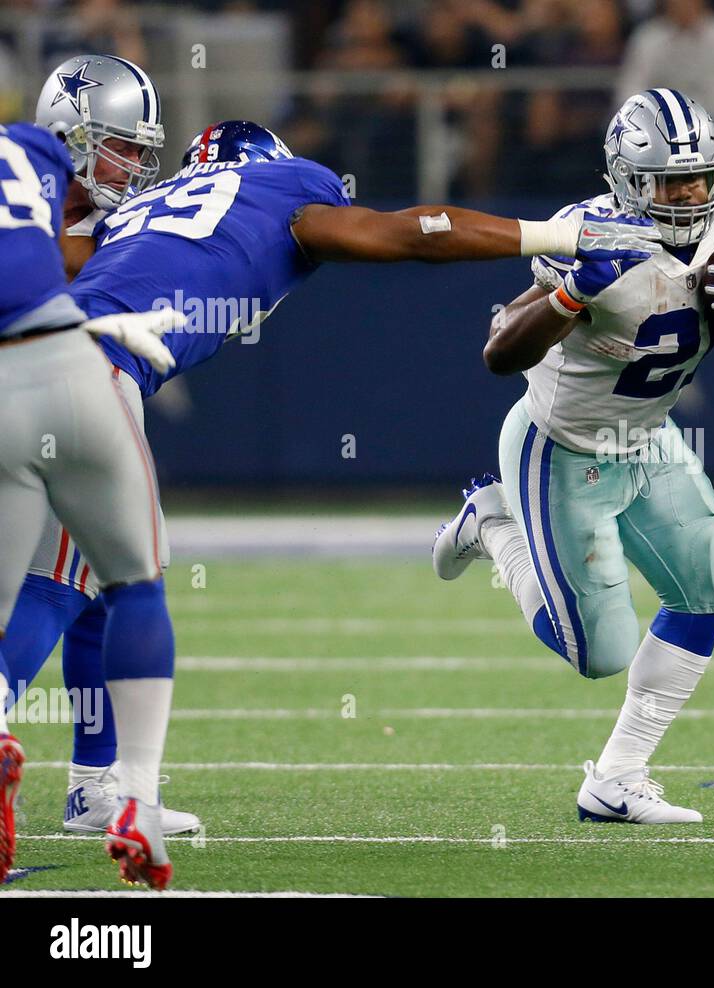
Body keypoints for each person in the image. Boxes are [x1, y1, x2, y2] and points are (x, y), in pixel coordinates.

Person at [2, 105, 661, 843]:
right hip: (86, 376)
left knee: (99, 584)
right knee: (65, 583)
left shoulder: (138, 213)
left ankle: (99, 788)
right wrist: (561, 234)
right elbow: (412, 234)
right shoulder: (283, 186)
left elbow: (51, 265)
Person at [431, 89, 714, 823]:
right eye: (672, 181)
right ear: (627, 181)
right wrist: (572, 296)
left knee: (710, 595)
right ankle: (490, 522)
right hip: (562, 448)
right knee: (596, 653)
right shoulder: (582, 231)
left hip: (648, 438)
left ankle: (616, 779)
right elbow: (497, 350)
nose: (690, 193)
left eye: (700, 176)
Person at [0, 119, 186, 889]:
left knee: (55, 591)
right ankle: (131, 796)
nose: (133, 165)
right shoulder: (32, 150)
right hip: (74, 372)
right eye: (122, 146)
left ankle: (88, 778)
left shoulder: (57, 169)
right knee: (130, 580)